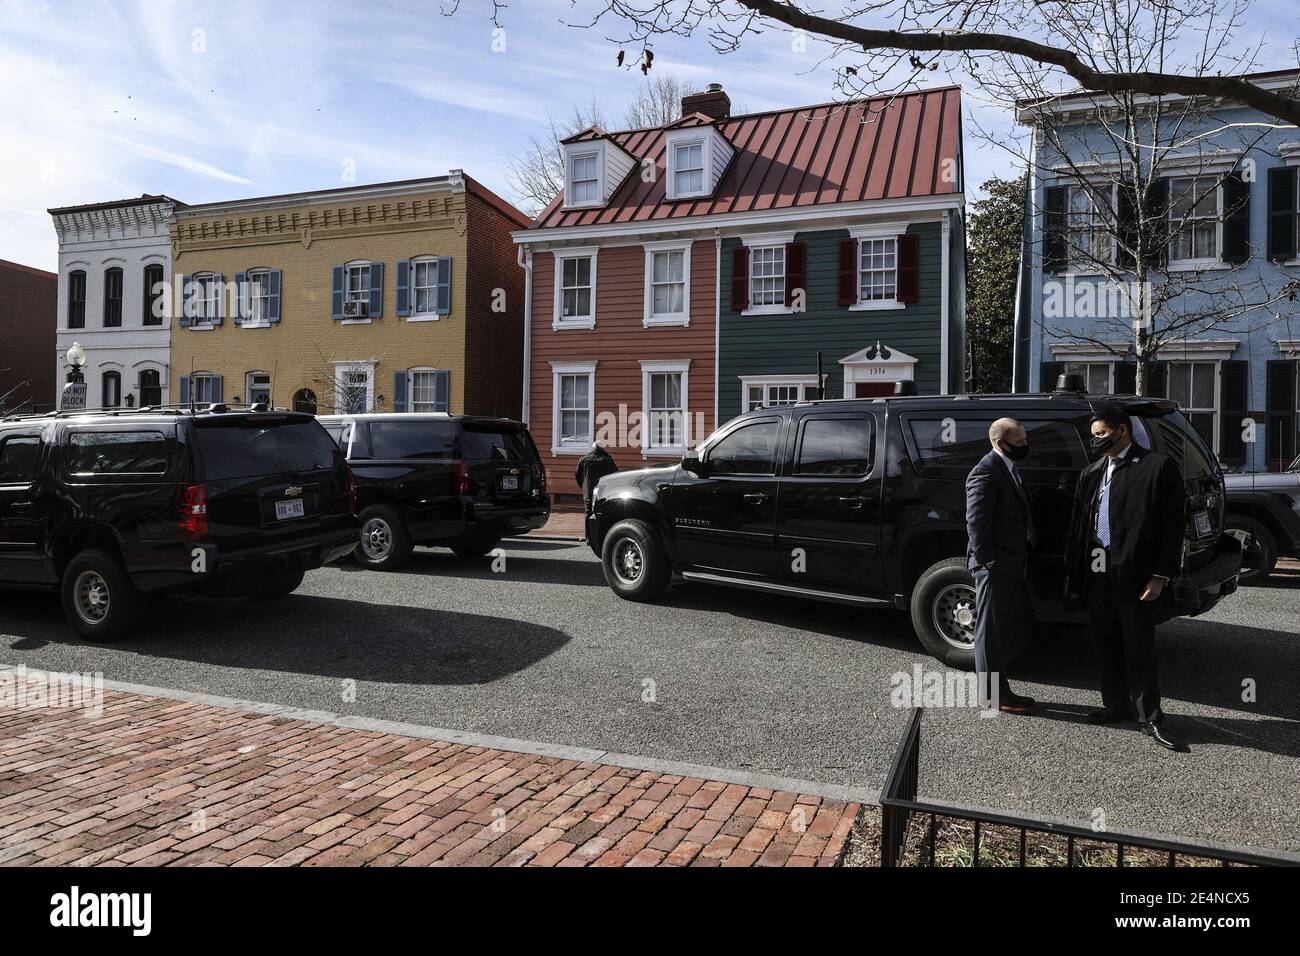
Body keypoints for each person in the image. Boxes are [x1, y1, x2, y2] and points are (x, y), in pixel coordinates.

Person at [1064, 405, 1185, 751]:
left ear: (1122, 431)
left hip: (1137, 574)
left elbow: (1171, 527)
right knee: (1106, 643)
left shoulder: (1157, 467)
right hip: (1098, 570)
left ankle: (1150, 716)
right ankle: (1116, 704)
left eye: (1101, 433)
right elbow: (1081, 524)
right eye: (1094, 435)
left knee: (1138, 647)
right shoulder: (1092, 472)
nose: (1096, 440)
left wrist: (1160, 576)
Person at [965, 417, 1036, 714]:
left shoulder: (1008, 467)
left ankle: (1001, 691)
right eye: (1019, 443)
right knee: (990, 632)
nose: (1024, 446)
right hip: (995, 565)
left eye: (1024, 440)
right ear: (999, 442)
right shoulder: (985, 472)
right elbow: (976, 521)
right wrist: (990, 561)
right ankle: (994, 697)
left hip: (1009, 560)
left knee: (1000, 629)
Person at [575, 441, 618, 514]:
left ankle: (589, 524)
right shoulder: (608, 460)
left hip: (588, 489)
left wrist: (584, 486)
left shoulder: (584, 459)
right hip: (604, 490)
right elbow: (615, 475)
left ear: (593, 448)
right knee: (603, 511)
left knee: (588, 511)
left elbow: (578, 475)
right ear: (603, 448)